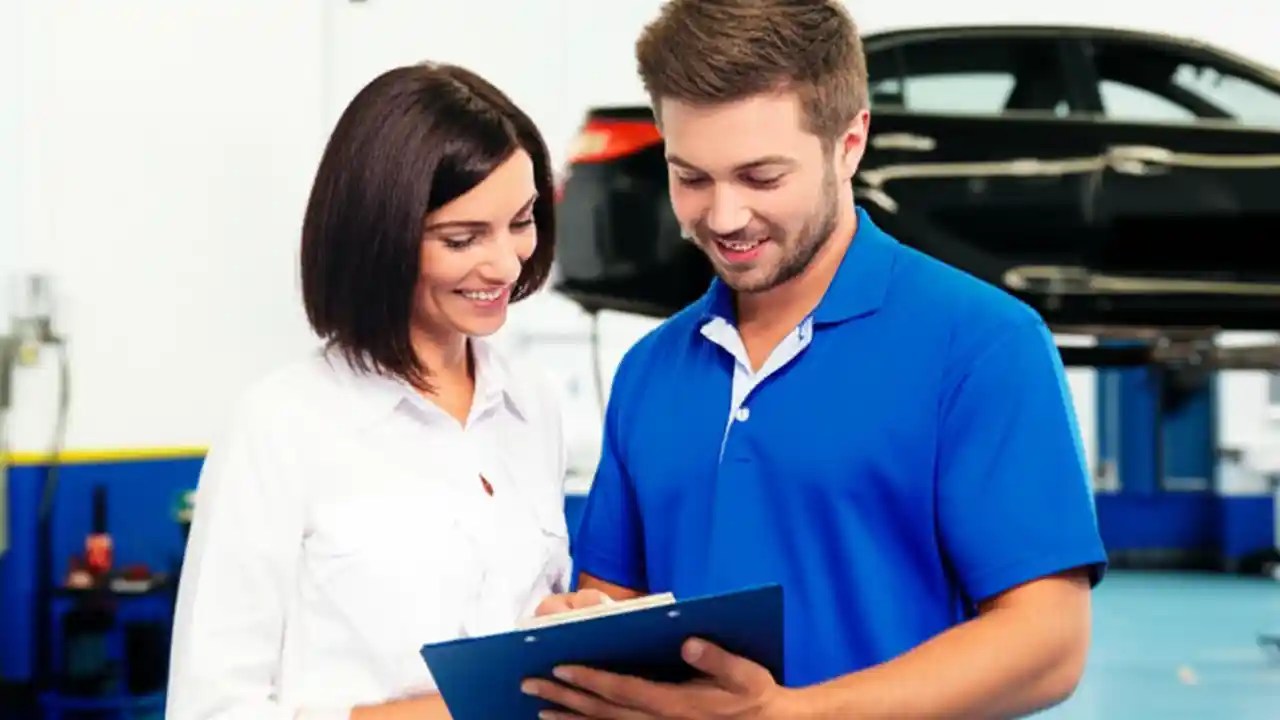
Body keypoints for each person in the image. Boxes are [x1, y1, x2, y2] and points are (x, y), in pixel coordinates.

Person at [523, 1, 1110, 718]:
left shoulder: (982, 344)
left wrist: (793, 714)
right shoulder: (650, 370)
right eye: (691, 178)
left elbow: (1048, 642)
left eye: (762, 177)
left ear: (849, 143)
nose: (724, 217)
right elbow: (615, 603)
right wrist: (581, 632)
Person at [166, 62, 606, 720]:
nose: (506, 264)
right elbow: (210, 709)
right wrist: (444, 711)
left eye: (521, 221)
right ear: (381, 237)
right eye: (463, 238)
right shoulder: (283, 423)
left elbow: (490, 620)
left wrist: (552, 628)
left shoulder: (531, 405)